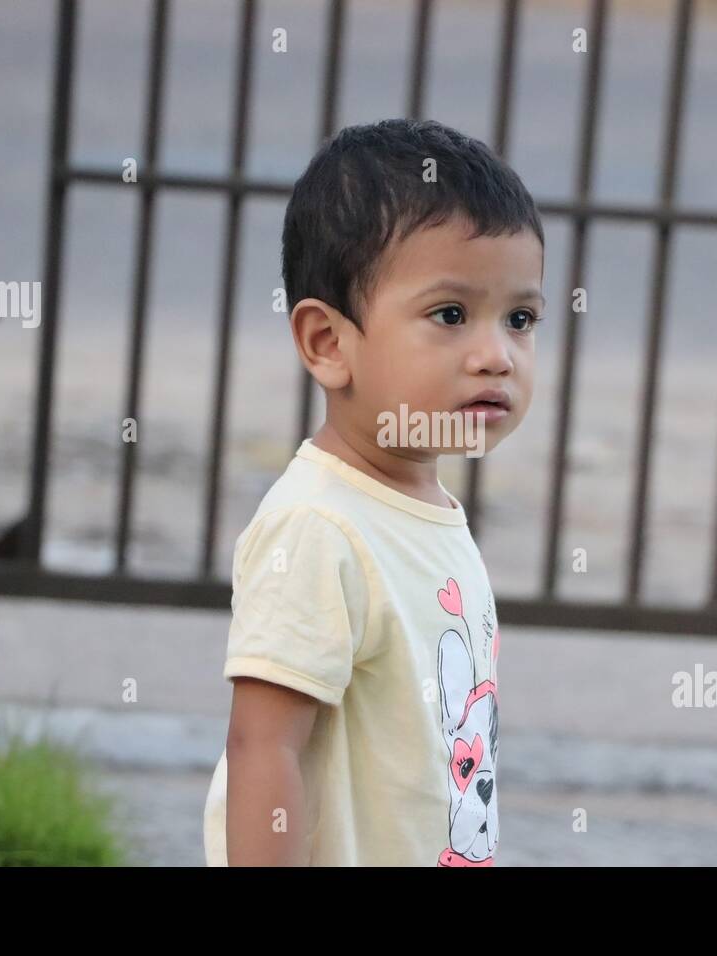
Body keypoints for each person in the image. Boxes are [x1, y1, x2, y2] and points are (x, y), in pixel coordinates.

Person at [203, 117, 545, 866]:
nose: (497, 355)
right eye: (450, 315)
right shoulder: (318, 528)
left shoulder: (427, 513)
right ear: (329, 343)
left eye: (520, 318)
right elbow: (264, 749)